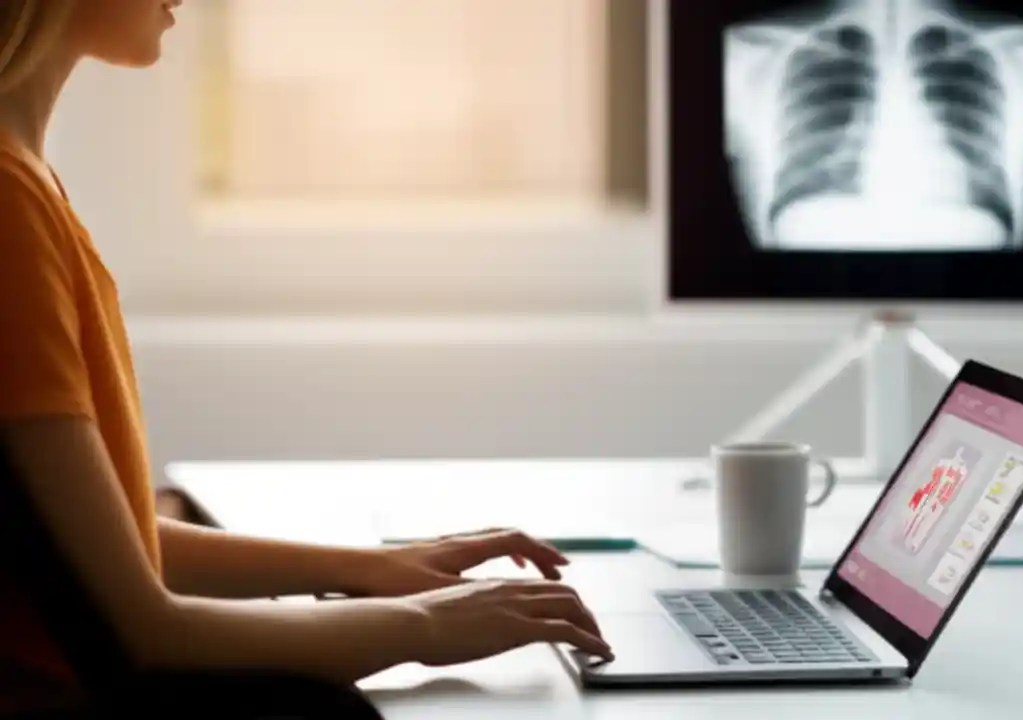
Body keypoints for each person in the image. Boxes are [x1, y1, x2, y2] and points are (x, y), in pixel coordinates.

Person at [0, 0, 612, 712]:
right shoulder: (10, 207)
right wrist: (426, 625)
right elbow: (144, 628)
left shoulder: (26, 182)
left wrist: (373, 569)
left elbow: (94, 548)